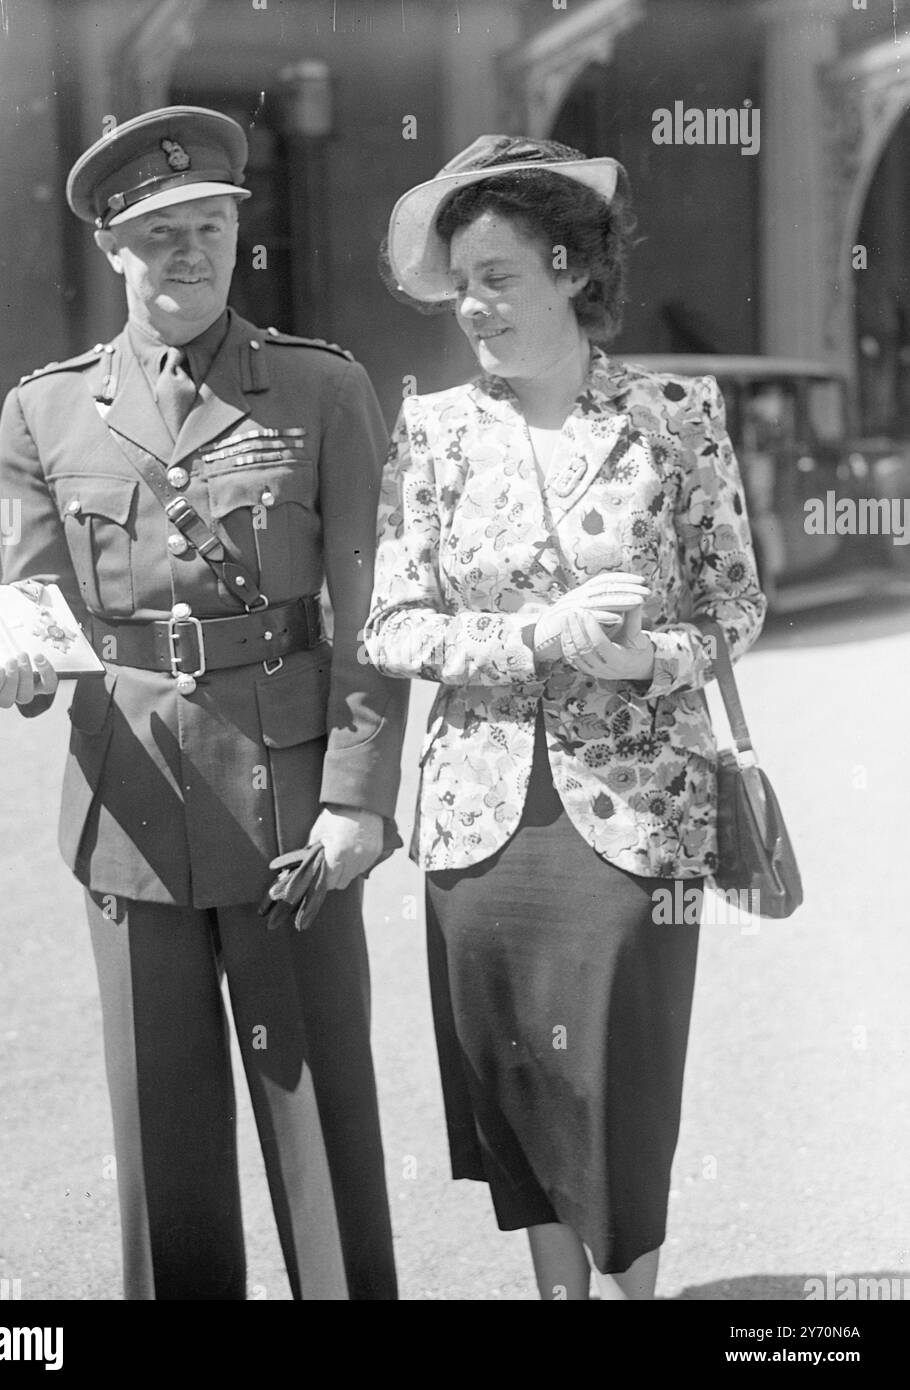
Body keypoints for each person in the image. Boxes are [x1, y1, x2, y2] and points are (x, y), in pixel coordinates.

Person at [0, 106, 408, 1300]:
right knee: (162, 1134)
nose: (190, 252)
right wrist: (18, 671)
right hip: (129, 806)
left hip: (292, 815)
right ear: (110, 245)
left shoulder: (320, 389)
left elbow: (373, 610)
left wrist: (358, 797)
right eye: (160, 233)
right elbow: (36, 612)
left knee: (320, 1119)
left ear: (236, 233)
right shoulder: (45, 411)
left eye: (210, 226)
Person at [364, 135, 766, 1300]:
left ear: (571, 268)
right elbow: (391, 625)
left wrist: (648, 660)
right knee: (517, 1090)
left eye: (496, 278)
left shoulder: (675, 415)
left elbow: (732, 607)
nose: (472, 308)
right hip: (478, 821)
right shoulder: (434, 430)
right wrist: (529, 638)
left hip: (639, 812)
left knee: (619, 1086)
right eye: (460, 285)